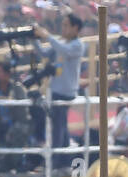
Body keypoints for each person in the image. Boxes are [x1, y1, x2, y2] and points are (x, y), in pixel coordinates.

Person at [34, 14, 84, 151]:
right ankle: (63, 158)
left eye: (66, 25)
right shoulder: (61, 42)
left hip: (66, 92)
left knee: (58, 127)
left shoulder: (77, 45)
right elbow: (44, 53)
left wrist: (47, 36)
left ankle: (56, 161)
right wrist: (34, 39)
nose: (63, 28)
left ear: (76, 28)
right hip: (55, 91)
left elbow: (65, 51)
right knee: (59, 125)